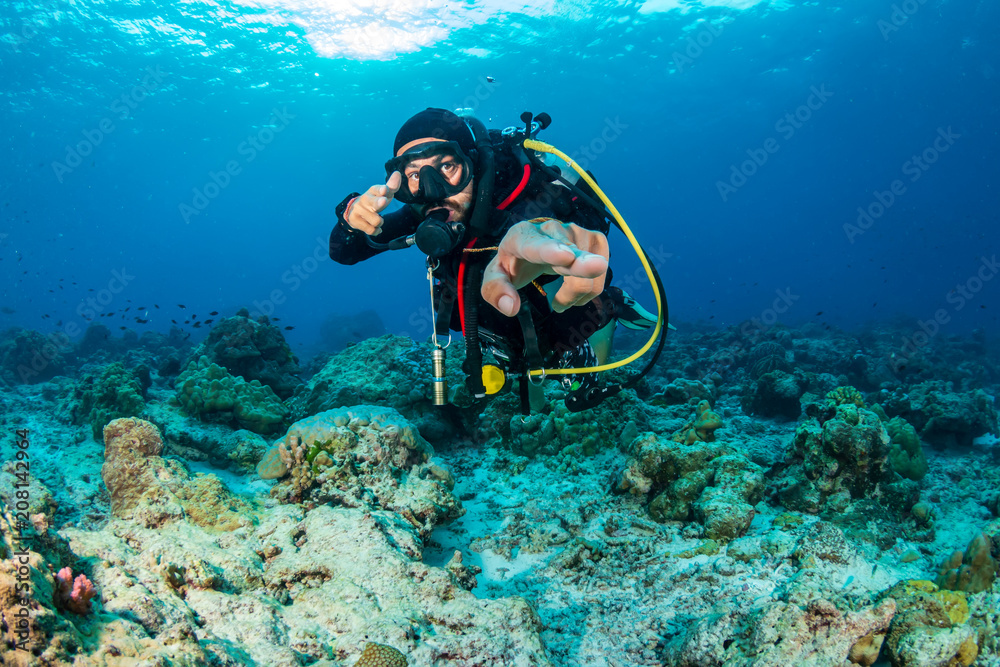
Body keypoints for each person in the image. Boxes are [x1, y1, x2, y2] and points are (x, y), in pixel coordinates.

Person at [329, 107, 655, 408]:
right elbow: (343, 252)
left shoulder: (526, 192)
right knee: (527, 394)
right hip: (494, 330)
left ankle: (608, 313)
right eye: (414, 175)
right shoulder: (423, 210)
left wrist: (553, 235)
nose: (433, 189)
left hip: (558, 316)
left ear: (471, 162)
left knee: (576, 380)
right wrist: (350, 218)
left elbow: (587, 237)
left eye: (445, 166)